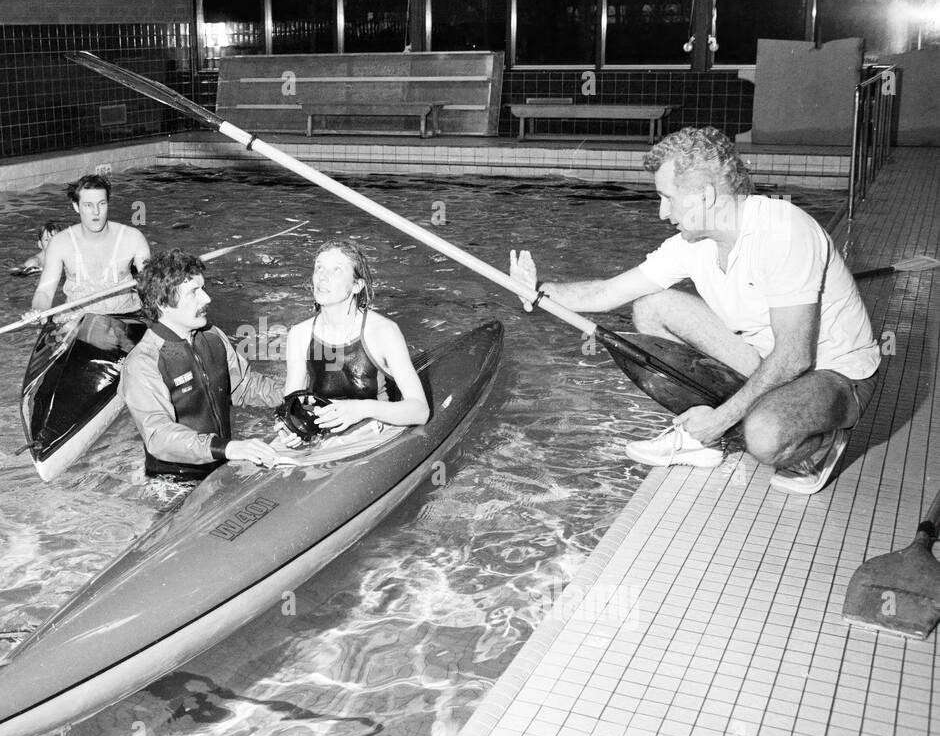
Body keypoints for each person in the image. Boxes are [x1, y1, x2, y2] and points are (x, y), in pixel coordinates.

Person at [510, 126, 880, 495]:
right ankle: (702, 441)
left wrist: (721, 419)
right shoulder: (693, 244)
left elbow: (794, 357)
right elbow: (608, 292)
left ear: (705, 195)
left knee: (766, 437)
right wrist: (540, 291)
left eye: (667, 198)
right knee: (652, 306)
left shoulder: (783, 231)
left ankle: (820, 438)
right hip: (765, 360)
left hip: (834, 374)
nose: (661, 212)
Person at [119, 249, 283, 479]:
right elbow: (158, 435)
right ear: (163, 303)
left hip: (221, 464)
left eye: (203, 288)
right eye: (194, 292)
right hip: (174, 480)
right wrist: (227, 447)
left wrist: (292, 395)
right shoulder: (142, 363)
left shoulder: (212, 335)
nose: (207, 298)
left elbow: (244, 386)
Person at [282, 240, 428, 434]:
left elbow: (420, 411)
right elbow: (291, 405)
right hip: (325, 433)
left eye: (337, 270)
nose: (323, 277)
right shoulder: (299, 335)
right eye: (319, 268)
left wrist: (360, 409)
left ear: (357, 285)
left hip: (376, 430)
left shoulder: (383, 332)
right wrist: (290, 430)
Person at [26, 174, 151, 332]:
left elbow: (151, 288)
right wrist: (38, 310)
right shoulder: (59, 243)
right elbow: (44, 292)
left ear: (108, 203)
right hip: (77, 320)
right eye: (88, 205)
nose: (96, 212)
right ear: (76, 206)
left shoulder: (133, 238)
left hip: (128, 317)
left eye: (101, 204)